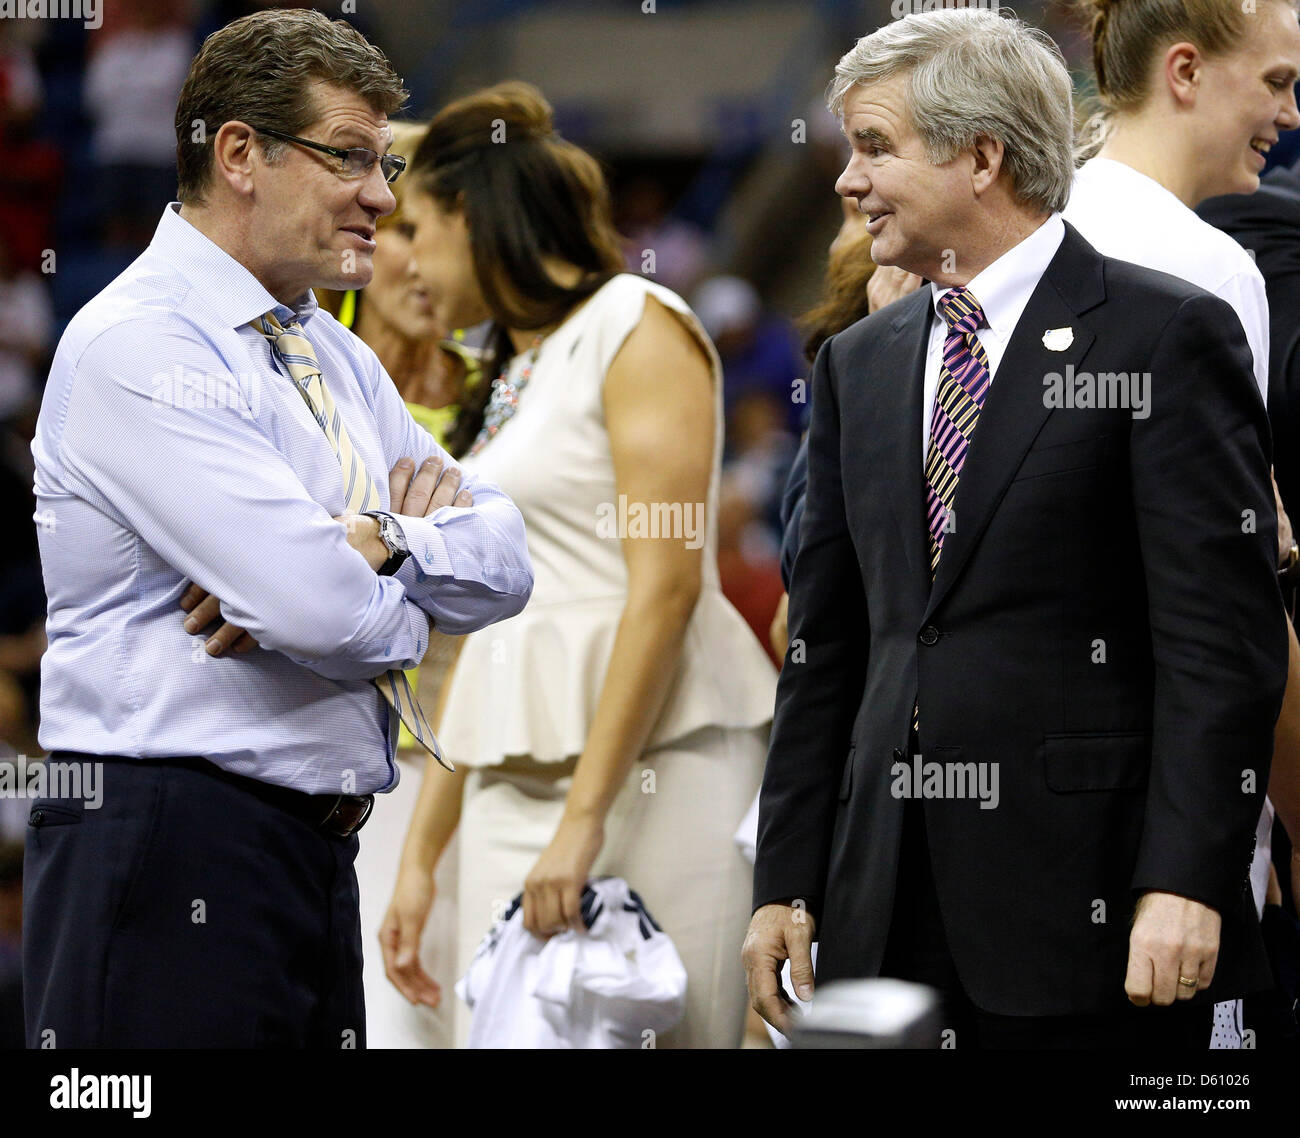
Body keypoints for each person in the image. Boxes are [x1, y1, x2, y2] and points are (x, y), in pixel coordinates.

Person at [743, 7, 1289, 1050]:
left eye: (873, 147)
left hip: (1091, 909)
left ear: (982, 155)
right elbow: (827, 651)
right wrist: (786, 881)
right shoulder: (857, 362)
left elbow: (1219, 646)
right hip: (880, 907)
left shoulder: (1165, 331)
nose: (847, 181)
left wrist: (1186, 876)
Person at [23, 9, 532, 1049]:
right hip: (170, 844)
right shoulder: (140, 342)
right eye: (349, 156)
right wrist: (366, 601)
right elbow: (323, 609)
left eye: (383, 163)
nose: (382, 196)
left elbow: (509, 563)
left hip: (308, 848)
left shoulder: (333, 354)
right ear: (240, 153)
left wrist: (375, 541)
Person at [381, 81, 778, 1049]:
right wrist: (421, 856)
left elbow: (669, 584)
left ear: (473, 216)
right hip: (508, 782)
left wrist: (584, 821)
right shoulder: (510, 369)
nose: (410, 261)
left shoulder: (636, 320)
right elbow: (486, 626)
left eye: (419, 226)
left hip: (661, 766)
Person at [1065, 0, 1300, 1046]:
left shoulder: (1042, 215)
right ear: (1185, 70)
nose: (1288, 117)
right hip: (1155, 800)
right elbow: (1220, 596)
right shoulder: (1201, 266)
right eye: (1278, 83)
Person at [317, 118, 481, 1050]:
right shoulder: (310, 382)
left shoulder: (498, 386)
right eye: (398, 233)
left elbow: (499, 571)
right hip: (357, 747)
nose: (417, 263)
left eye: (436, 235)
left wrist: (378, 542)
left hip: (480, 747)